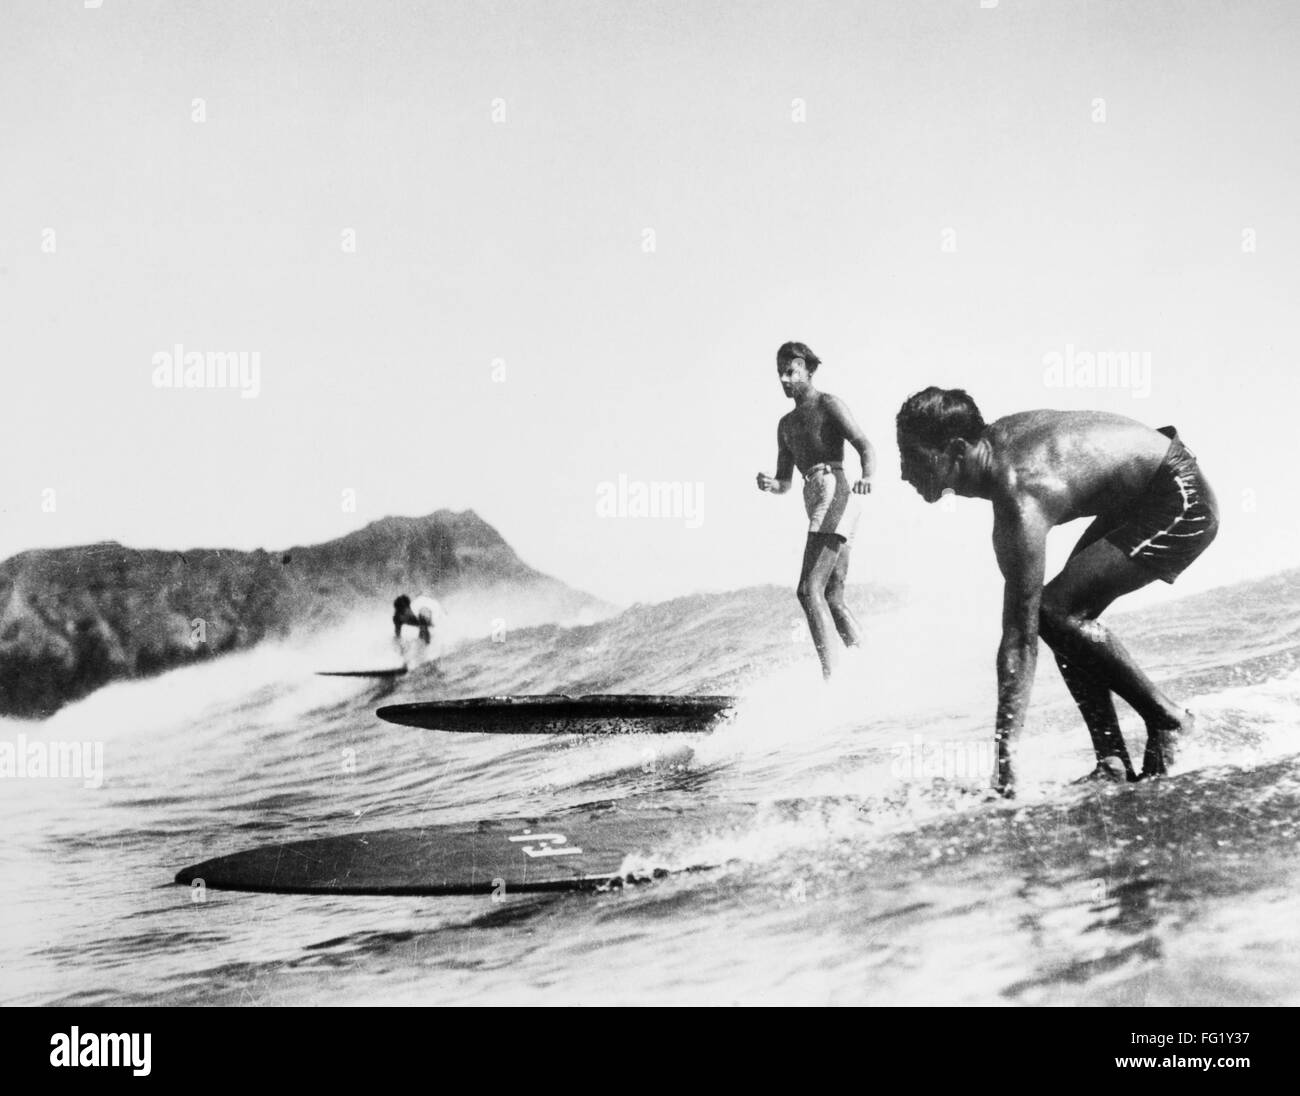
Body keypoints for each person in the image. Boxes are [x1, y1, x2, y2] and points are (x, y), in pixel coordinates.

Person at [895, 388, 1220, 797]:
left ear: (957, 449)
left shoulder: (1019, 493)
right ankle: (1112, 761)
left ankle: (1168, 721)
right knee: (1058, 613)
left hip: (1182, 499)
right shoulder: (998, 452)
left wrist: (1004, 765)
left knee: (1054, 612)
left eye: (913, 457)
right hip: (1143, 494)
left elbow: (1020, 638)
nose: (904, 473)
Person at [757, 341, 875, 679]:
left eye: (791, 372)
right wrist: (771, 484)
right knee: (832, 596)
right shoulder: (785, 425)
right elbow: (785, 481)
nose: (784, 379)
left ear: (808, 371)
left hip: (834, 490)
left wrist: (868, 476)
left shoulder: (828, 404)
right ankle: (869, 669)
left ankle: (831, 681)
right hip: (815, 496)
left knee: (809, 590)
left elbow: (864, 444)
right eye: (780, 373)